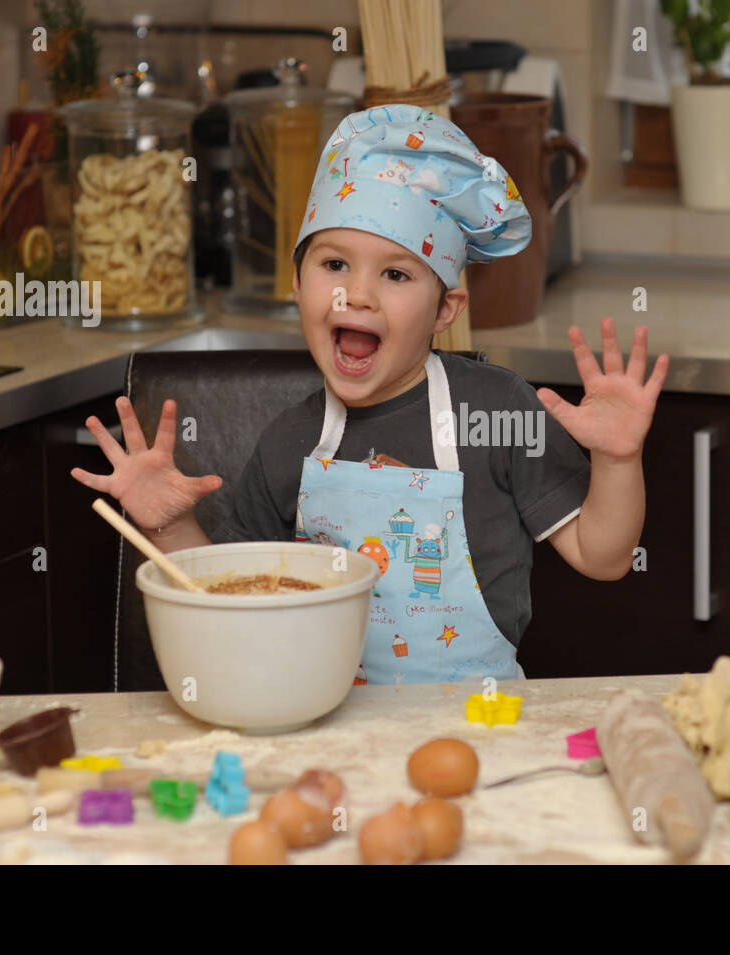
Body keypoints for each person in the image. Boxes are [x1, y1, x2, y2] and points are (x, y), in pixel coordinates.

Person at [72, 104, 669, 684]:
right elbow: (238, 614)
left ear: (445, 310)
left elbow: (604, 555)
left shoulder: (495, 411)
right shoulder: (289, 443)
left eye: (395, 274)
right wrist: (171, 529)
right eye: (334, 264)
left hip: (479, 730)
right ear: (297, 284)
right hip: (327, 732)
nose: (356, 295)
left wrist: (617, 460)